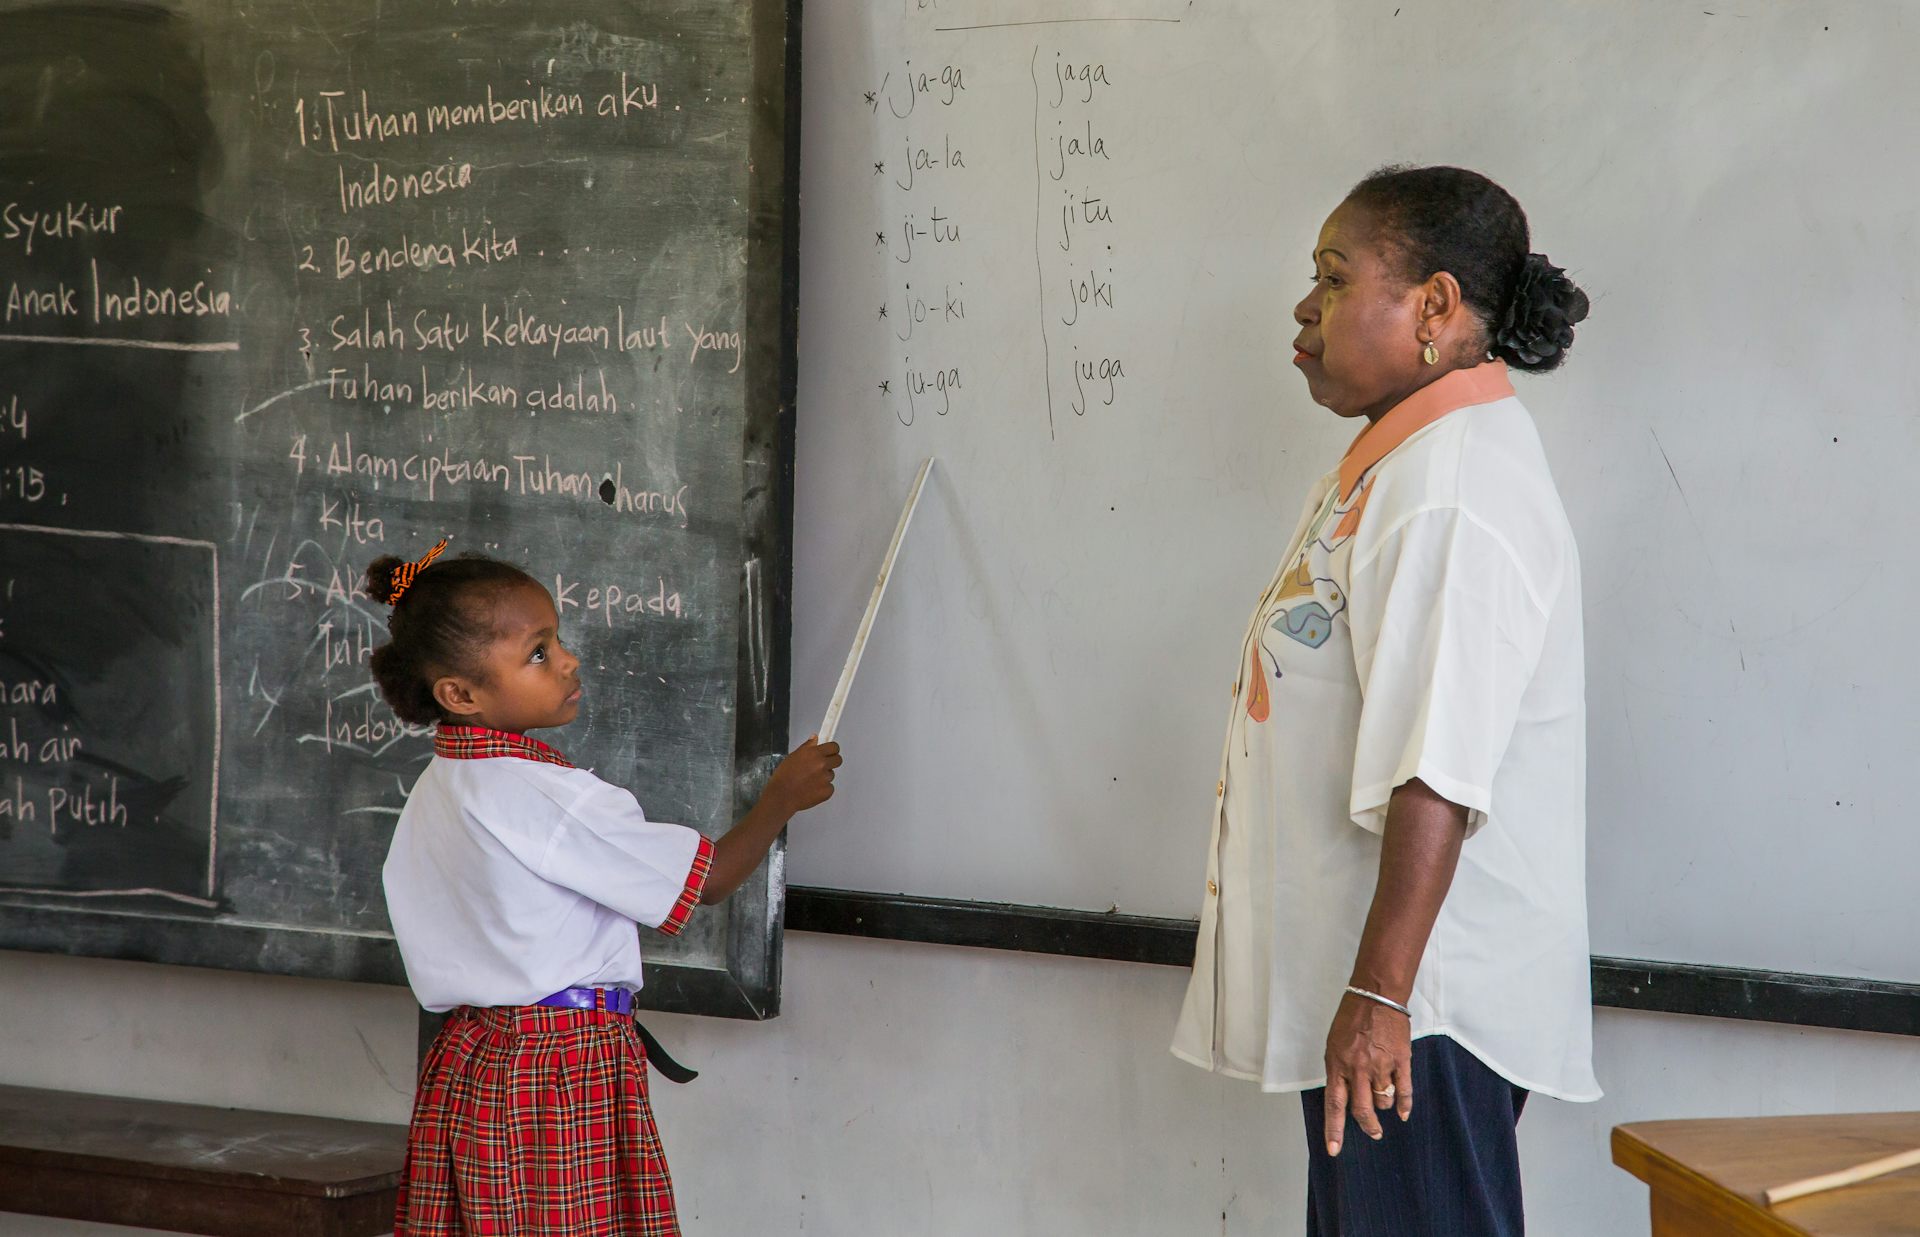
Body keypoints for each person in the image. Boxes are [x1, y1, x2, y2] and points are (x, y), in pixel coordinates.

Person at [1171, 165, 1601, 1236]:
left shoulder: (1451, 487)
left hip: (1423, 1006)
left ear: (1437, 307)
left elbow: (1439, 769)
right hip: (1397, 996)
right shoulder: (1405, 461)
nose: (1304, 307)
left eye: (1333, 275)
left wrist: (1382, 998)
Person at [367, 545, 841, 1236]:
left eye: (556, 640)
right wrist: (780, 799)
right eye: (537, 652)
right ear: (460, 694)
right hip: (557, 1073)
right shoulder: (544, 796)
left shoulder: (438, 789)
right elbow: (704, 881)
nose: (567, 661)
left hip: (475, 1065)